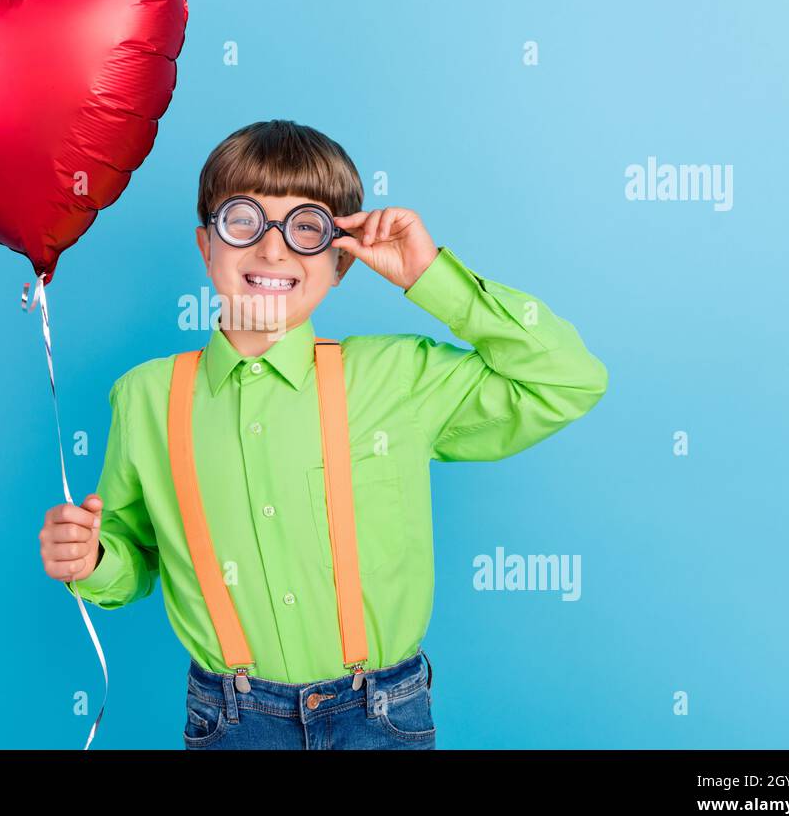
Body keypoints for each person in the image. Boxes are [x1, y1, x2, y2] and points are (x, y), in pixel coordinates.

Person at [40, 119, 608, 749]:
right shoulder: (145, 397)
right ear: (207, 247)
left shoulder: (397, 377)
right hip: (230, 721)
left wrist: (430, 274)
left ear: (341, 259)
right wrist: (93, 560)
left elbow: (566, 380)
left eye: (305, 228)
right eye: (244, 222)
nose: (273, 250)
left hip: (382, 714)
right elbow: (133, 558)